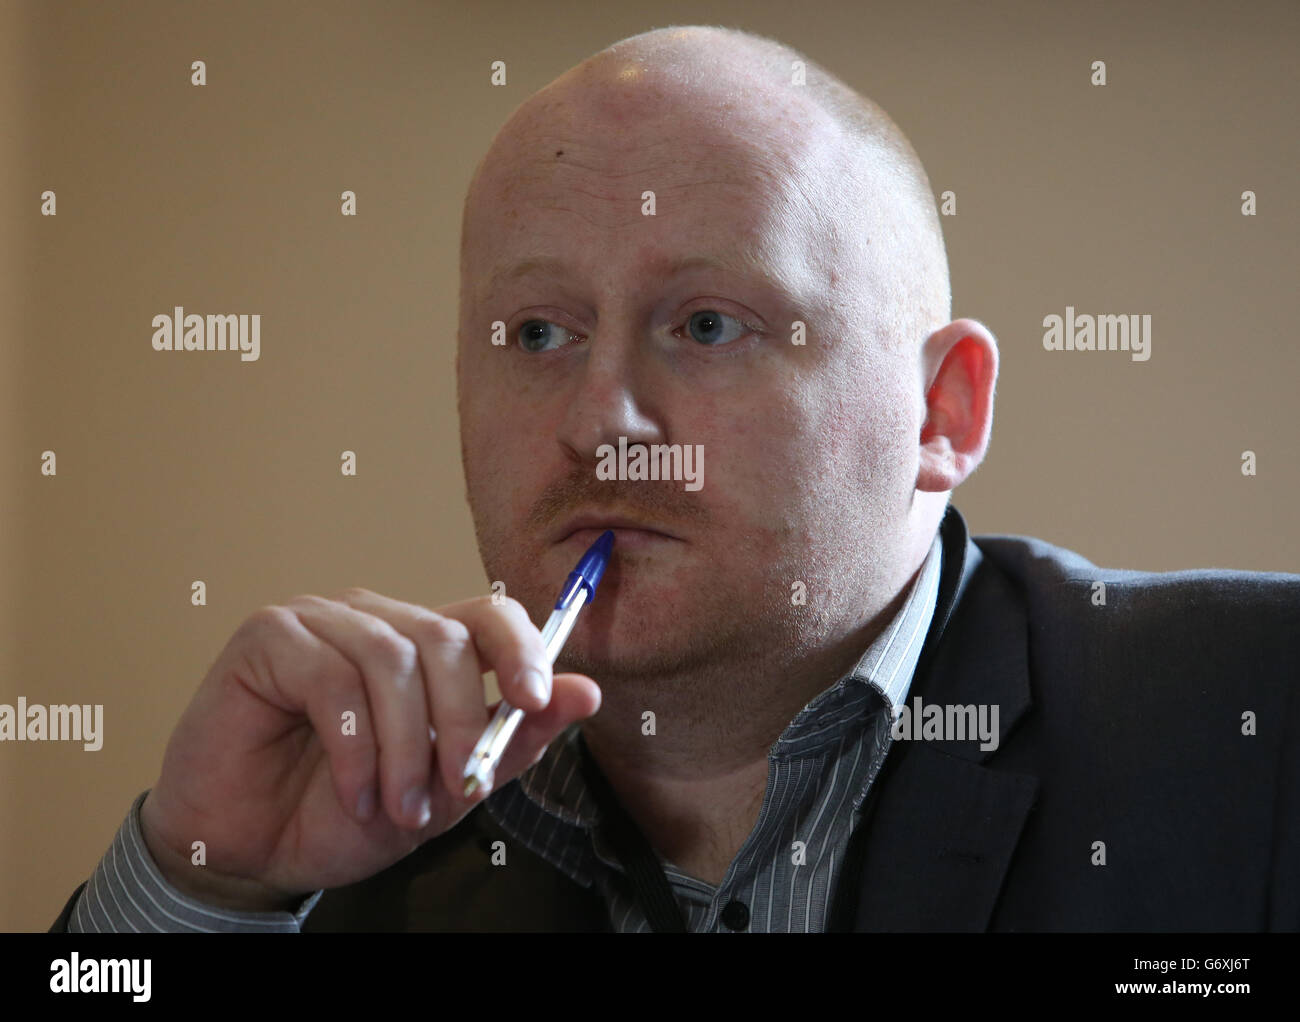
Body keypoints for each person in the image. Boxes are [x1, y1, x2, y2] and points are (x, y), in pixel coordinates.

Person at [51, 25, 1299, 933]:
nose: (601, 420)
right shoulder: (363, 810)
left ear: (940, 409)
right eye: (538, 334)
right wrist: (190, 885)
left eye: (707, 324)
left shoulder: (1258, 716)